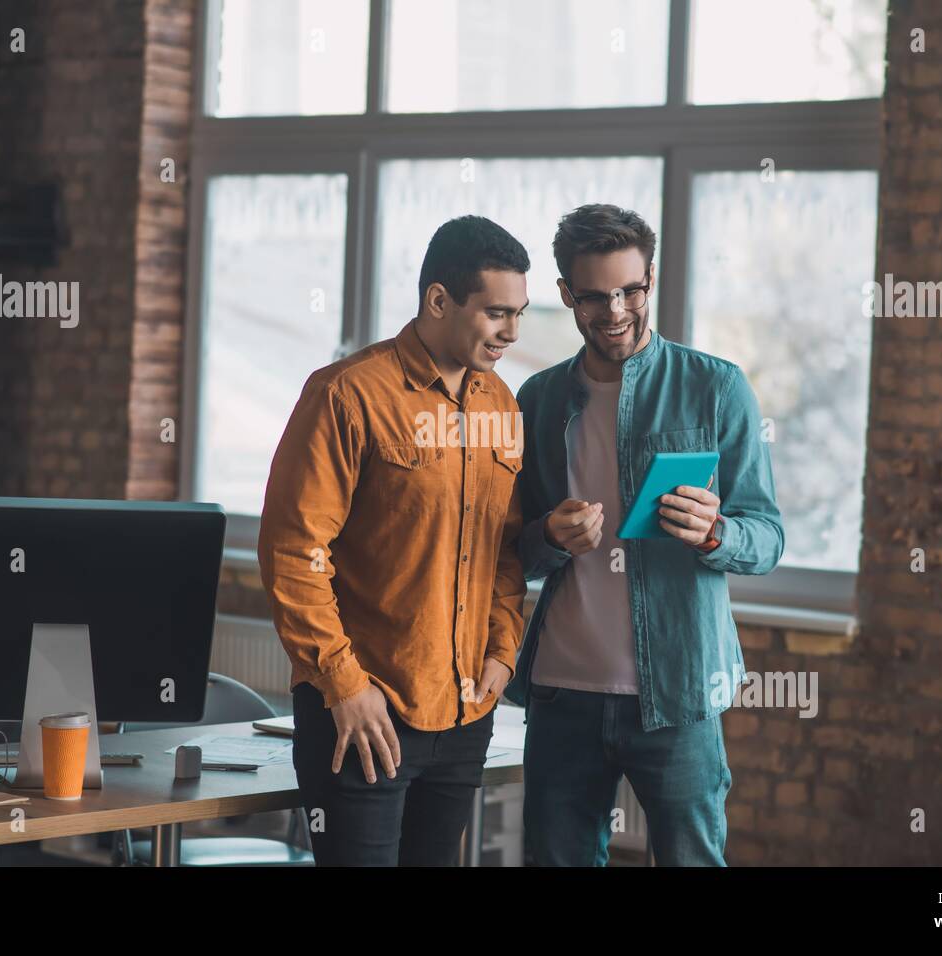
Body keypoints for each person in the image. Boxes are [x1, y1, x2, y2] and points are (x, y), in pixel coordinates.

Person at [504, 203, 784, 866]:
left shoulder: (716, 389)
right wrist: (548, 534)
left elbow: (767, 536)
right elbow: (511, 551)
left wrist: (717, 534)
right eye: (596, 296)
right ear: (567, 295)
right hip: (562, 692)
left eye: (630, 290)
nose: (616, 311)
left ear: (650, 280)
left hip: (678, 693)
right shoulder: (537, 401)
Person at [259, 215, 530, 865]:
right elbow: (294, 553)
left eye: (520, 314)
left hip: (466, 718)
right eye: (496, 313)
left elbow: (504, 549)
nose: (512, 334)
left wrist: (504, 648)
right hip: (362, 715)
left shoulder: (502, 406)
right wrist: (344, 684)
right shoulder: (347, 395)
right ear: (439, 301)